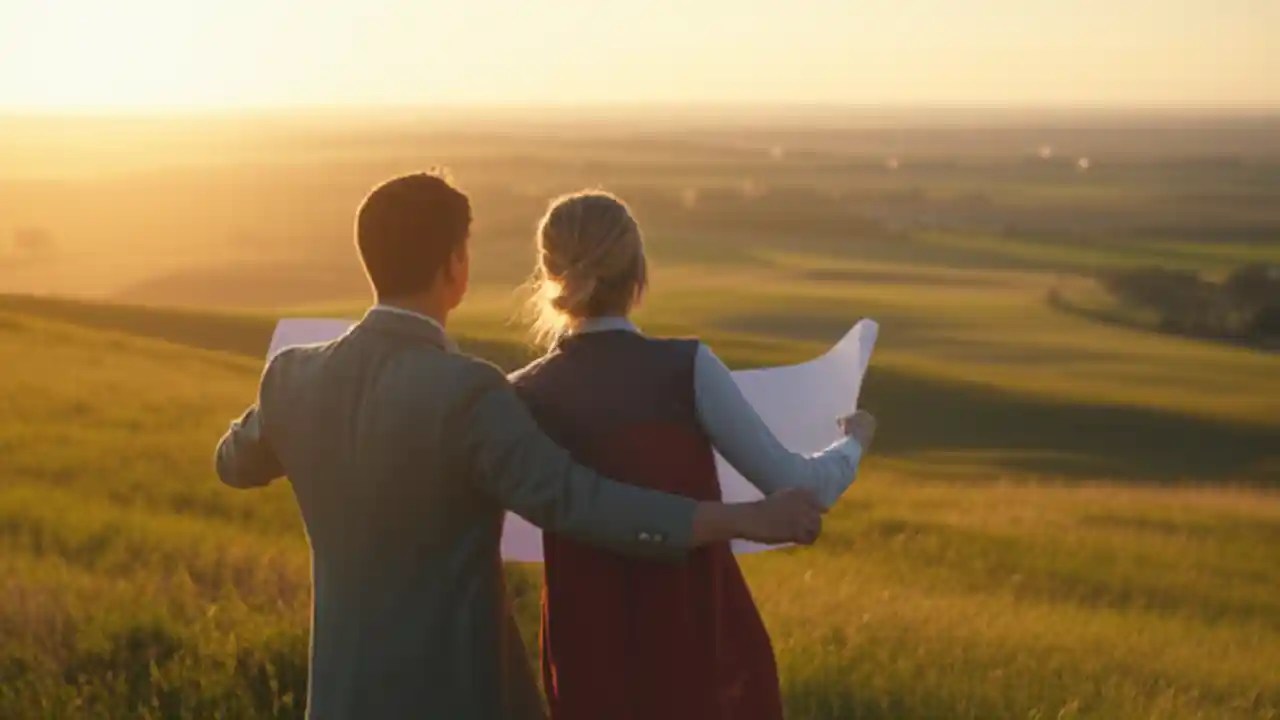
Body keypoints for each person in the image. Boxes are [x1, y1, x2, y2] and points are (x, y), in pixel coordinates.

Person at [214, 172, 827, 720]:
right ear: (456, 267)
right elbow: (579, 502)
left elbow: (232, 463)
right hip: (459, 698)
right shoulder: (467, 392)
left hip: (338, 700)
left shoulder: (292, 378)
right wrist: (743, 518)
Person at [510, 190, 878, 720]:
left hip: (585, 649)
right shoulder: (686, 368)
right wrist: (856, 440)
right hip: (700, 638)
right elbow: (803, 488)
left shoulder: (521, 393)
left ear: (550, 278)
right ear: (639, 275)